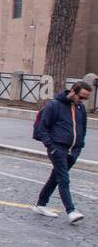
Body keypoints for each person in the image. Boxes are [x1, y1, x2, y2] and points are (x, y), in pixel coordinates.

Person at [32, 80, 91, 223]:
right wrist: (51, 148)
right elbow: (42, 129)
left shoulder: (80, 108)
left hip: (73, 151)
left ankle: (40, 204)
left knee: (56, 178)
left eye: (86, 98)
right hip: (57, 149)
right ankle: (71, 211)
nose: (83, 101)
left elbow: (82, 128)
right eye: (81, 97)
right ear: (72, 92)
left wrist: (79, 147)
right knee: (63, 179)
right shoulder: (54, 105)